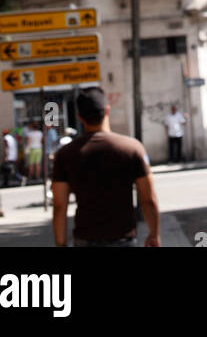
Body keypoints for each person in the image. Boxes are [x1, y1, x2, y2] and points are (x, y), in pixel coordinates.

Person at [52, 86, 161, 248]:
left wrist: (60, 244)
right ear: (107, 110)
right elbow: (148, 199)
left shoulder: (65, 155)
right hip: (123, 239)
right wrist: (154, 234)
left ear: (80, 117)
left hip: (85, 239)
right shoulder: (132, 148)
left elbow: (60, 206)